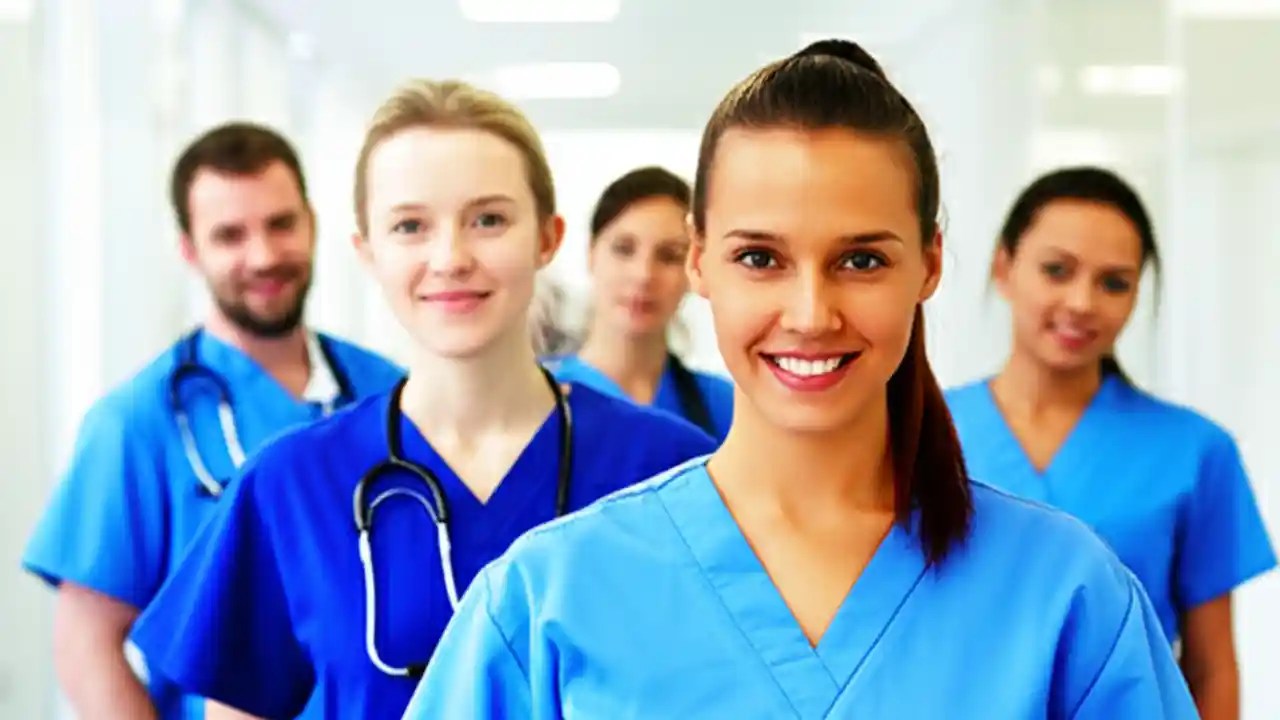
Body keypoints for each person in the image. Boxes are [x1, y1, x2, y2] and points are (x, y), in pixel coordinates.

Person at [401, 39, 1200, 719]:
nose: (812, 313)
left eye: (861, 260)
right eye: (760, 258)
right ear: (700, 260)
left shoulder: (1066, 597)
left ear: (929, 265)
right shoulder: (548, 600)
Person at [126, 79, 718, 720]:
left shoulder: (674, 472)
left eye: (488, 219)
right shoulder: (291, 484)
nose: (450, 257)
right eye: (410, 225)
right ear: (367, 251)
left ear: (547, 237)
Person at [20, 122, 405, 720]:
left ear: (312, 221)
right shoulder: (136, 423)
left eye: (281, 224)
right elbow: (85, 644)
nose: (264, 256)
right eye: (230, 235)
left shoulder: (388, 390)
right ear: (190, 251)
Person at [945, 166, 1276, 719]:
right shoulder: (911, 433)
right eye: (1057, 270)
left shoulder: (1195, 451)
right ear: (1004, 269)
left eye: (1114, 282)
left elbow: (1212, 667)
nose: (1082, 302)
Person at [547, 166, 734, 440]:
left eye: (670, 256)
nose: (644, 275)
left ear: (695, 268)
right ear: (591, 254)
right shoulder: (538, 397)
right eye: (624, 249)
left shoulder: (726, 407)